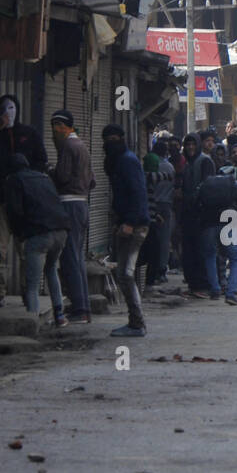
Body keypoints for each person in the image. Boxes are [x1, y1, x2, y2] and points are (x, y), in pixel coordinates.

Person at [0, 95, 46, 305]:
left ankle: (30, 292)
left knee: (25, 248)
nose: (8, 112)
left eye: (11, 108)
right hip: (0, 197)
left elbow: (41, 160)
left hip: (24, 202)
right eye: (4, 108)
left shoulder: (29, 133)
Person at [4, 152, 71, 327]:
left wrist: (19, 235)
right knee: (51, 270)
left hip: (39, 234)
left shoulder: (14, 180)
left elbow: (15, 211)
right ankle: (60, 315)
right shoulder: (43, 177)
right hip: (61, 231)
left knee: (32, 283)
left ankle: (31, 323)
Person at [102, 124, 150, 336]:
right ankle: (135, 322)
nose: (110, 144)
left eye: (114, 139)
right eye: (107, 139)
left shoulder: (127, 161)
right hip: (128, 223)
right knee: (124, 273)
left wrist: (130, 222)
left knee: (125, 274)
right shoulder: (119, 161)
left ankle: (137, 323)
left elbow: (137, 193)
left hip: (135, 225)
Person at [49, 109, 95, 324]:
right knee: (77, 257)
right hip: (82, 204)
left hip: (69, 204)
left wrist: (50, 172)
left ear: (64, 126)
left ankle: (79, 308)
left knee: (70, 258)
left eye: (56, 126)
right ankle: (83, 307)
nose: (54, 131)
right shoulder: (82, 146)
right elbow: (92, 180)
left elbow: (63, 176)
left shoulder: (68, 145)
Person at [197, 165, 237, 304]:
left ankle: (215, 289)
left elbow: (195, 199)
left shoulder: (205, 184)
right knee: (235, 259)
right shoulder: (235, 184)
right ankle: (230, 293)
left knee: (210, 256)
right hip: (229, 222)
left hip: (208, 224)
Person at [180, 132, 216, 296]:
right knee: (190, 250)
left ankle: (203, 285)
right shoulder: (188, 163)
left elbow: (205, 186)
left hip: (201, 214)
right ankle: (194, 284)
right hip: (189, 214)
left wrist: (189, 197)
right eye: (187, 144)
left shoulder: (204, 161)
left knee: (200, 251)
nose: (190, 147)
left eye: (193, 144)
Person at [143, 146, 176, 286]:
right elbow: (164, 177)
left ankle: (153, 276)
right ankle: (157, 274)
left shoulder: (145, 176)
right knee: (161, 242)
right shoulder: (148, 175)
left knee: (154, 245)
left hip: (153, 214)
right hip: (159, 211)